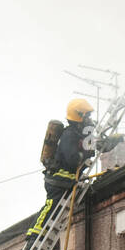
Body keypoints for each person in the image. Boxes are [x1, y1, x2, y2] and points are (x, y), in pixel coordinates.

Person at [26, 96, 95, 238]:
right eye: (87, 115)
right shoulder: (69, 135)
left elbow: (89, 147)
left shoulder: (77, 134)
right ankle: (34, 235)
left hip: (66, 180)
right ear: (79, 115)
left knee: (54, 209)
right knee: (51, 206)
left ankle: (39, 233)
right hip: (58, 180)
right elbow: (73, 159)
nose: (89, 119)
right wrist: (86, 153)